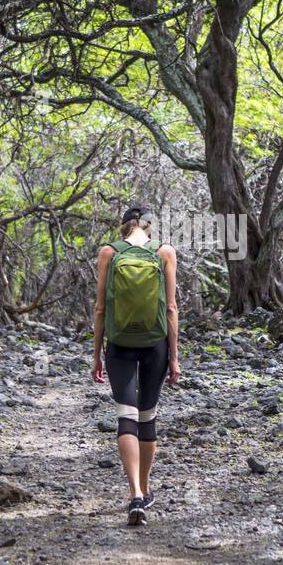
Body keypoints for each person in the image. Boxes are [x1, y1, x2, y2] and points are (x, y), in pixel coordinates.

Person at [92, 206, 180, 525]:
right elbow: (171, 308)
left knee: (125, 415)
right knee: (147, 416)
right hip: (155, 344)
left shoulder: (108, 253)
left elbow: (100, 308)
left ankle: (135, 495)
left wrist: (96, 355)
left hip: (119, 343)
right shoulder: (164, 252)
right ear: (149, 228)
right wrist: (174, 357)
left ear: (123, 227)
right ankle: (145, 487)